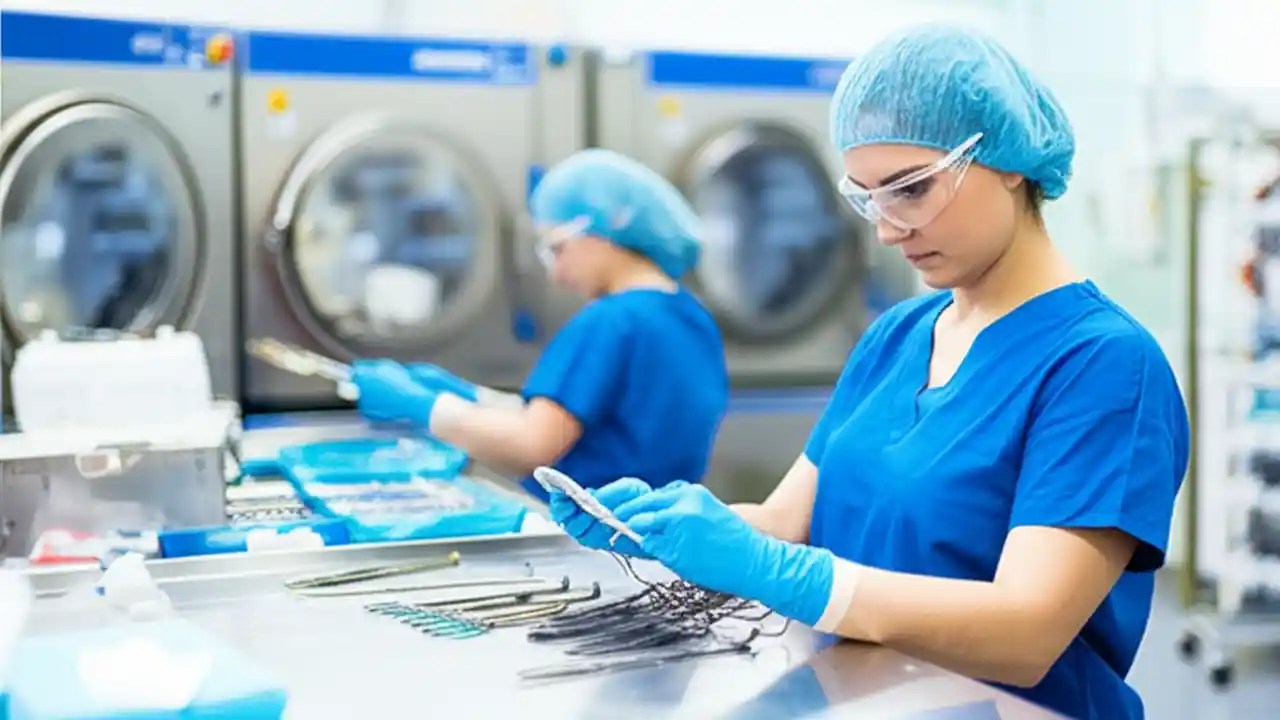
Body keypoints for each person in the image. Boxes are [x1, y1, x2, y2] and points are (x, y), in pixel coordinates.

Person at [550, 24, 1189, 720]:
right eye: (868, 198)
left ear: (1010, 160)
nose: (887, 230)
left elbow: (1027, 630)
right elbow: (786, 522)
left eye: (910, 190)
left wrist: (788, 576)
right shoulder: (897, 338)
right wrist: (672, 530)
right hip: (860, 698)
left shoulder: (1103, 365)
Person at [351, 148, 730, 502]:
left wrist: (426, 407)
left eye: (557, 248)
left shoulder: (613, 321)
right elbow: (602, 422)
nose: (557, 275)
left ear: (608, 226)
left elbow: (532, 446)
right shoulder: (688, 315)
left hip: (594, 537)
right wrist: (474, 399)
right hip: (660, 533)